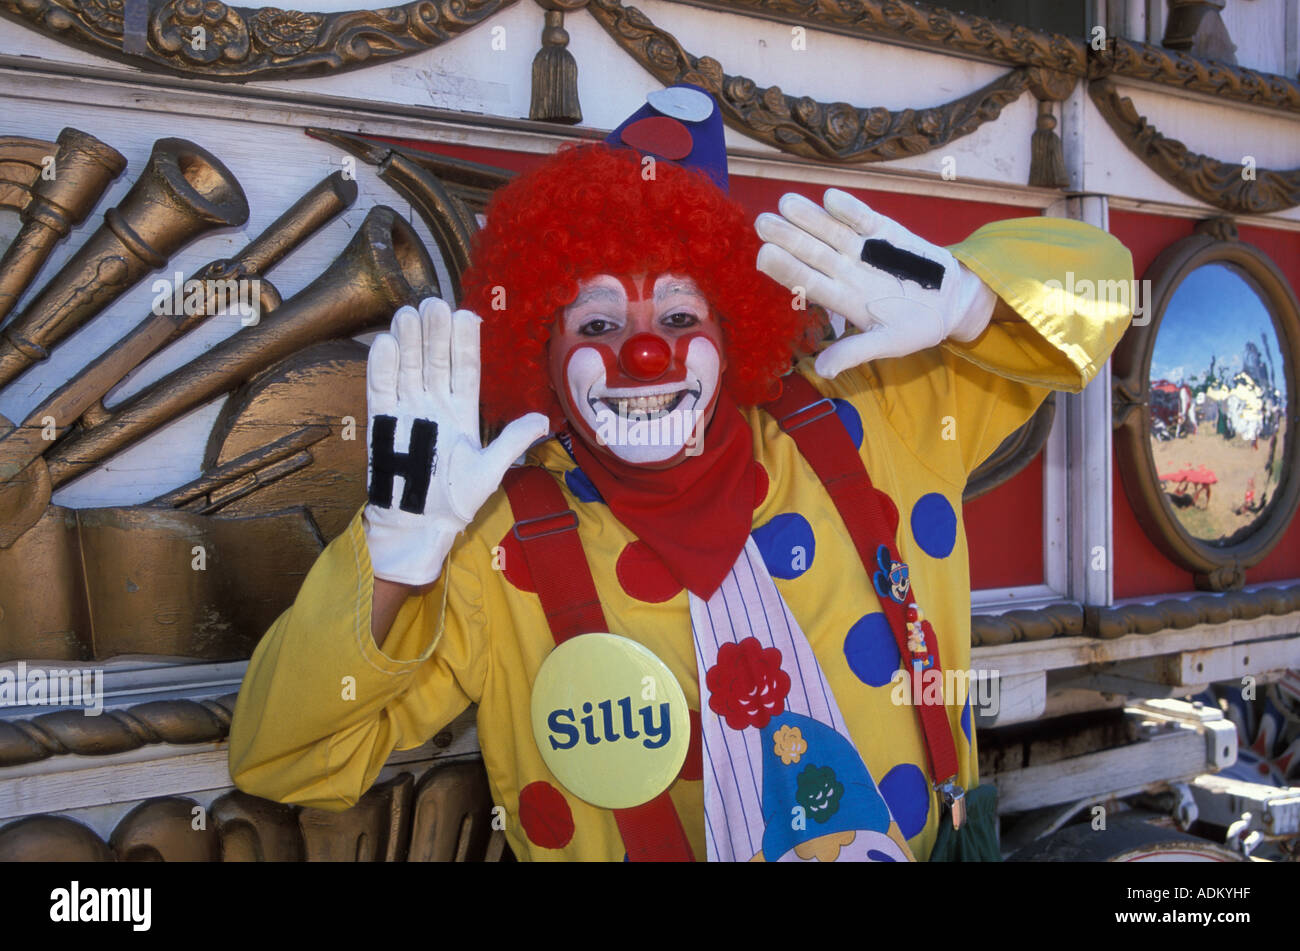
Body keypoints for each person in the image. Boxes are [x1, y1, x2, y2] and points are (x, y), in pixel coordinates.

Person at [229, 86, 1133, 861]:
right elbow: (288, 758)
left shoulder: (878, 414)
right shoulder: (494, 545)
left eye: (677, 311)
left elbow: (1104, 289)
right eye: (595, 327)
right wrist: (394, 560)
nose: (644, 353)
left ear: (733, 327)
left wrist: (972, 305)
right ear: (538, 357)